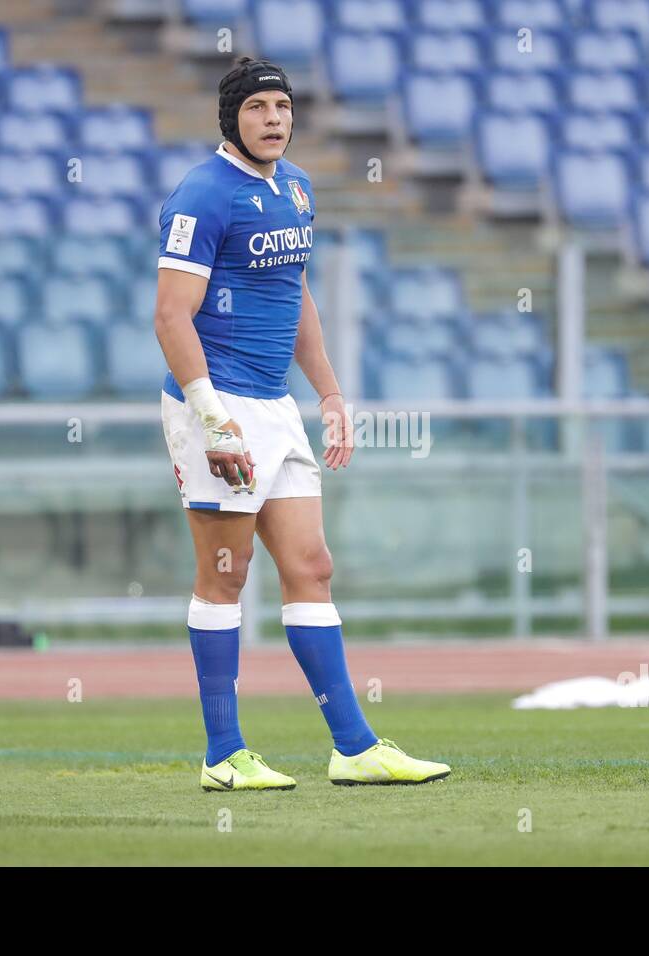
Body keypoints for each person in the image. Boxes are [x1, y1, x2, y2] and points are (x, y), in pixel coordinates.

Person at [153, 56, 451, 791]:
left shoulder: (296, 188)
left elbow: (297, 297)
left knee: (311, 567)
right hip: (216, 402)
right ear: (233, 119)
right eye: (259, 107)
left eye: (283, 106)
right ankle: (223, 754)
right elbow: (169, 316)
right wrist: (213, 419)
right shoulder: (202, 194)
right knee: (226, 575)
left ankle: (353, 747)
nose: (275, 119)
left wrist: (331, 395)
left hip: (276, 405)